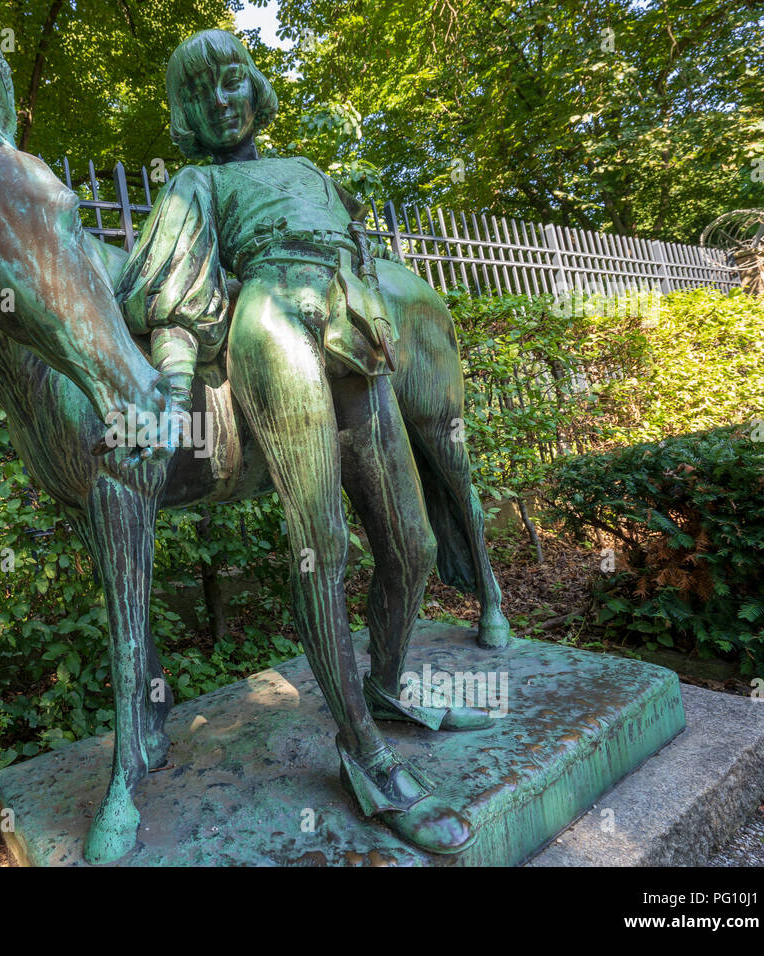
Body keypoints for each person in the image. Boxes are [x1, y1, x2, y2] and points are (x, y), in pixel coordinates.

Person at [115, 29, 481, 855]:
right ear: (186, 113)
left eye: (233, 79)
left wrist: (373, 311)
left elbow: (358, 251)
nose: (223, 100)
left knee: (415, 543)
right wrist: (174, 388)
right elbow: (173, 295)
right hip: (269, 322)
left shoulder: (313, 172)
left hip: (353, 326)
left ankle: (381, 689)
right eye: (202, 91)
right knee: (323, 544)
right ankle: (364, 754)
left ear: (253, 84)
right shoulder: (197, 182)